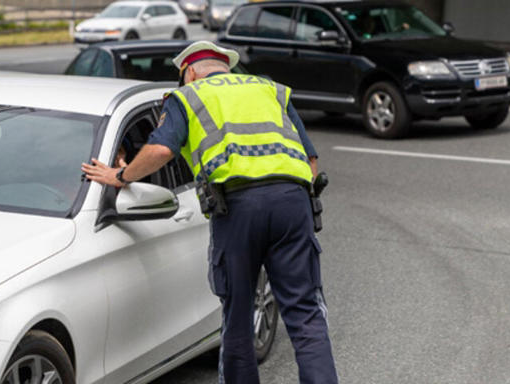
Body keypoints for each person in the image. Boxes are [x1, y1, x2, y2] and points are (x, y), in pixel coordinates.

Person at [81, 41, 338, 384]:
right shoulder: (270, 90)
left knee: (238, 317)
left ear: (189, 72)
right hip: (293, 200)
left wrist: (119, 175)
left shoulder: (188, 96)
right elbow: (310, 159)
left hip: (238, 207)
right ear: (225, 69)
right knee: (306, 316)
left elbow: (160, 149)